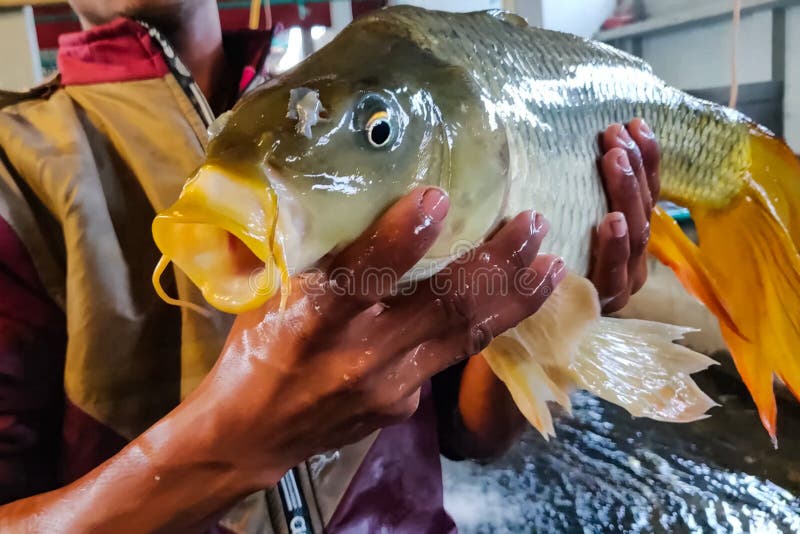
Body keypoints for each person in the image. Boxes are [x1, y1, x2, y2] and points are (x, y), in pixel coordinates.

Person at [0, 1, 659, 531]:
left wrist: (555, 299)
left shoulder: (352, 87)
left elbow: (473, 432)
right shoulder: (18, 168)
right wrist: (226, 449)